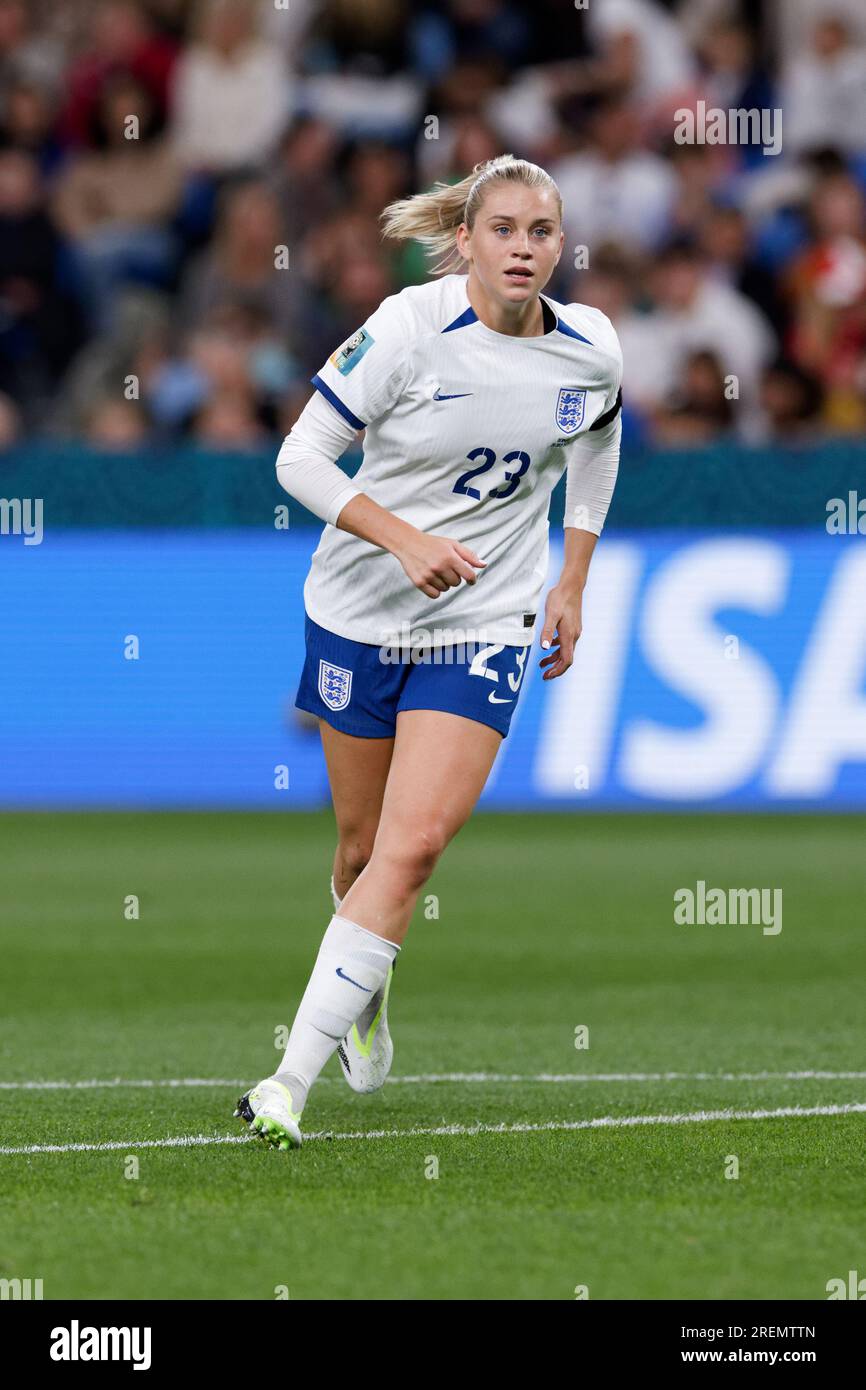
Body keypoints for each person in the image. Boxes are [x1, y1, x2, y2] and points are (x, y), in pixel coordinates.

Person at [235, 154, 624, 1151]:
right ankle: (366, 987)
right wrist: (401, 539)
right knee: (362, 849)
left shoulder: (589, 350)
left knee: (409, 852)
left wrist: (570, 578)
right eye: (502, 230)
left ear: (557, 243)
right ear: (465, 239)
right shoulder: (410, 327)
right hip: (357, 612)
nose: (522, 249)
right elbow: (298, 458)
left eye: (539, 232)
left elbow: (595, 446)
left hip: (482, 622)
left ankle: (286, 1079)